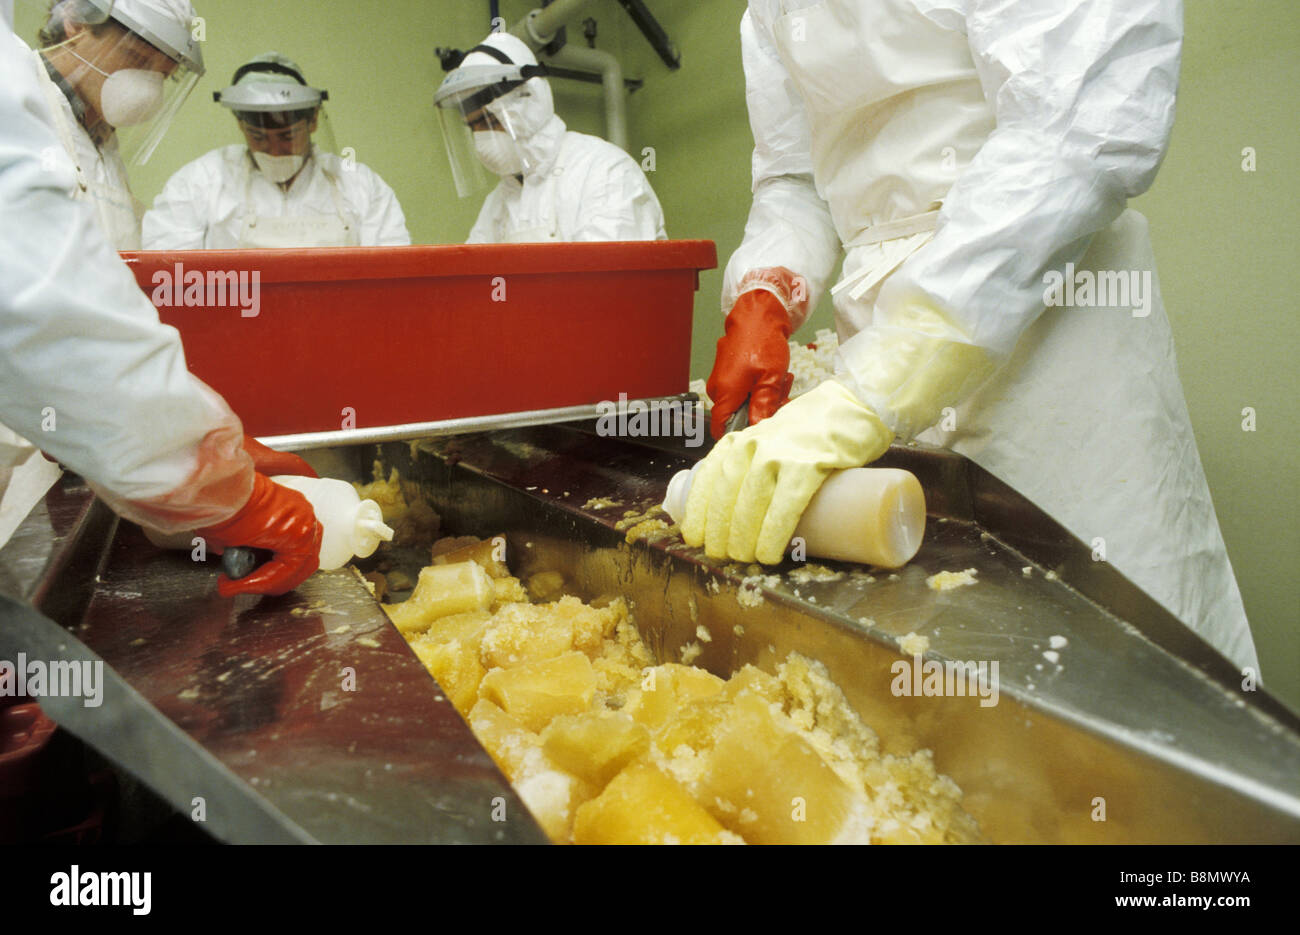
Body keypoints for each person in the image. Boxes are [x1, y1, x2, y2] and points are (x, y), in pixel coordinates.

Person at [685, 0, 1259, 672]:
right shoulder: (771, 11)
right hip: (877, 329)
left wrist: (887, 377)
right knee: (947, 637)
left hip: (1050, 315)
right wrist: (768, 288)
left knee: (1117, 650)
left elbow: (1081, 128)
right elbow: (794, 178)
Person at [2, 11, 321, 598]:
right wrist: (198, 466)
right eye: (138, 53)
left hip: (52, 439)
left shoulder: (97, 145)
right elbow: (43, 311)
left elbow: (102, 314)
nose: (150, 78)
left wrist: (194, 434)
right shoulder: (14, 95)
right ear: (74, 20)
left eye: (166, 68)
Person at [142, 52, 409, 248]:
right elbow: (169, 275)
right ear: (240, 125)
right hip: (231, 323)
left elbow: (393, 275)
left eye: (287, 136)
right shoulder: (199, 182)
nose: (275, 150)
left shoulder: (360, 184)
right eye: (258, 137)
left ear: (313, 121)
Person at [434, 31, 665, 243]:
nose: (482, 138)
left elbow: (609, 282)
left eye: (489, 121)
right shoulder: (501, 200)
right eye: (473, 127)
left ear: (527, 104)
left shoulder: (604, 171)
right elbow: (473, 278)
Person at [24, 0, 204, 250]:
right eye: (137, 58)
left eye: (163, 75)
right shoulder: (19, 105)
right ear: (76, 23)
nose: (146, 91)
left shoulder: (101, 139)